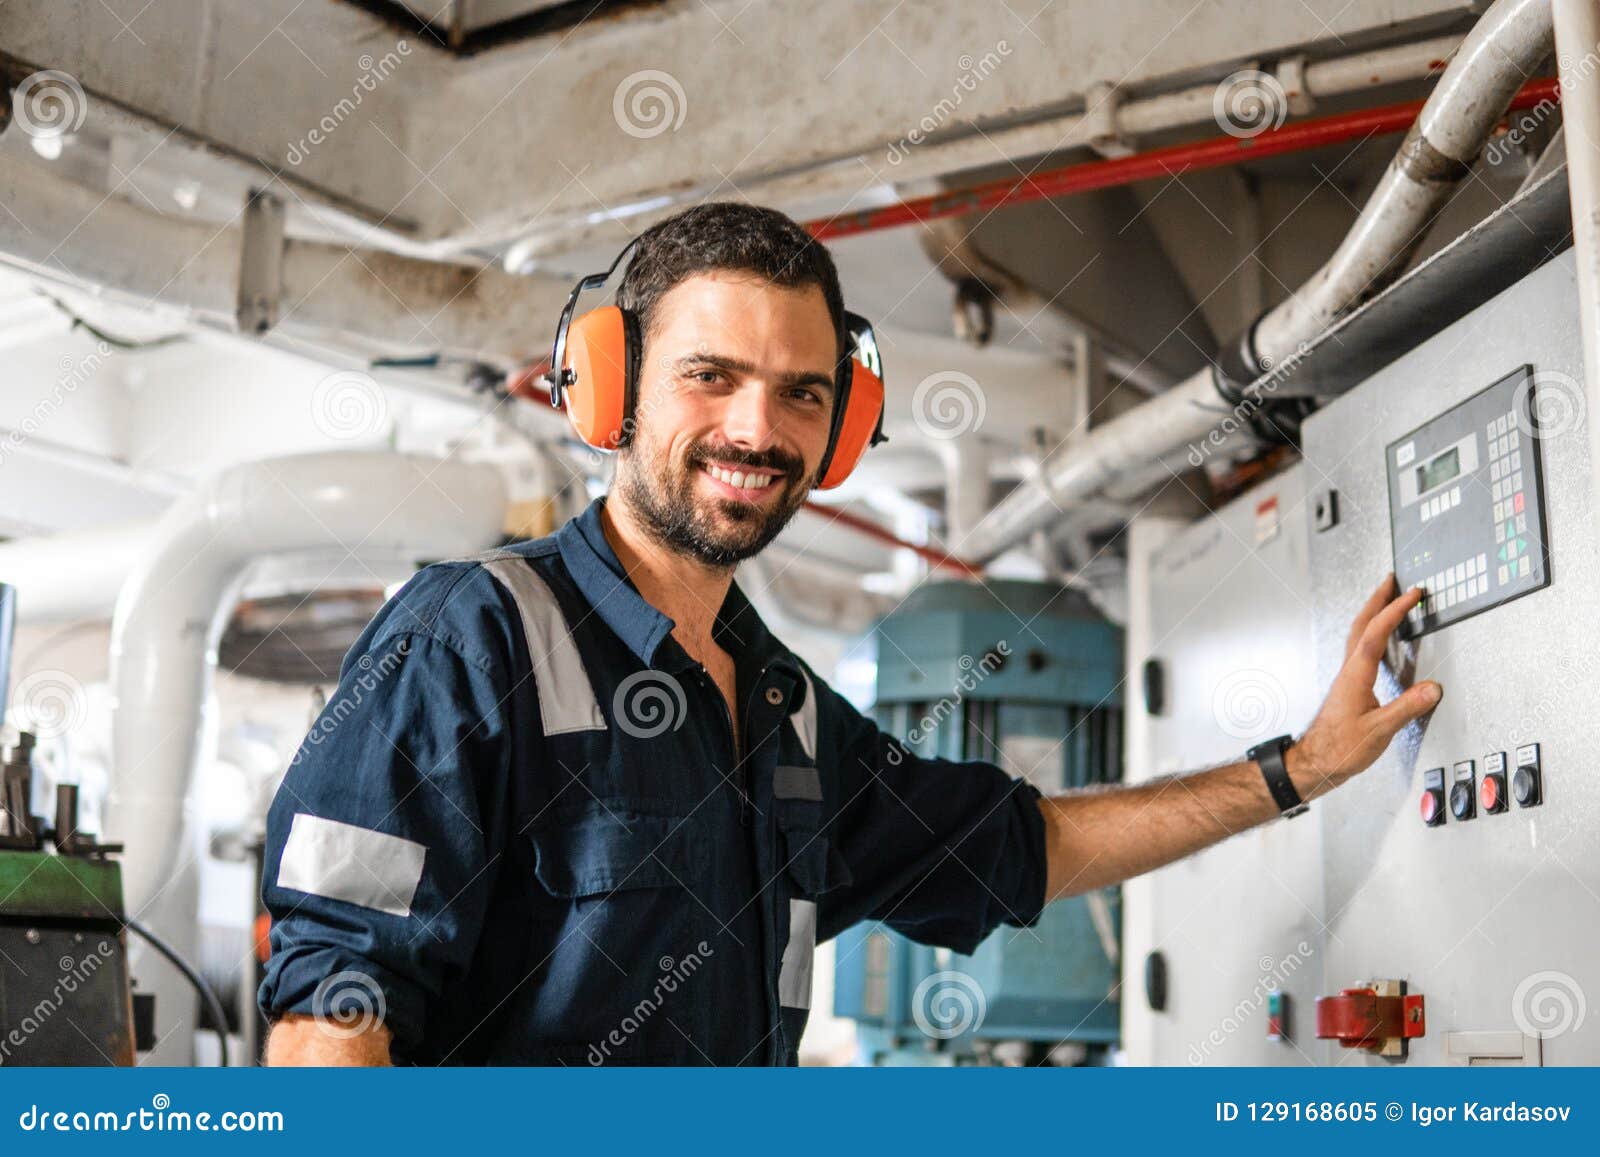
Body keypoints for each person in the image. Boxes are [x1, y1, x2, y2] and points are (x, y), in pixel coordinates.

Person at [259, 202, 1440, 1065]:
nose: (755, 428)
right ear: (609, 390)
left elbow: (1022, 845)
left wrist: (1298, 770)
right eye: (710, 377)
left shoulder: (784, 710)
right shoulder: (470, 636)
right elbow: (335, 1001)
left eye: (801, 393)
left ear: (841, 425)